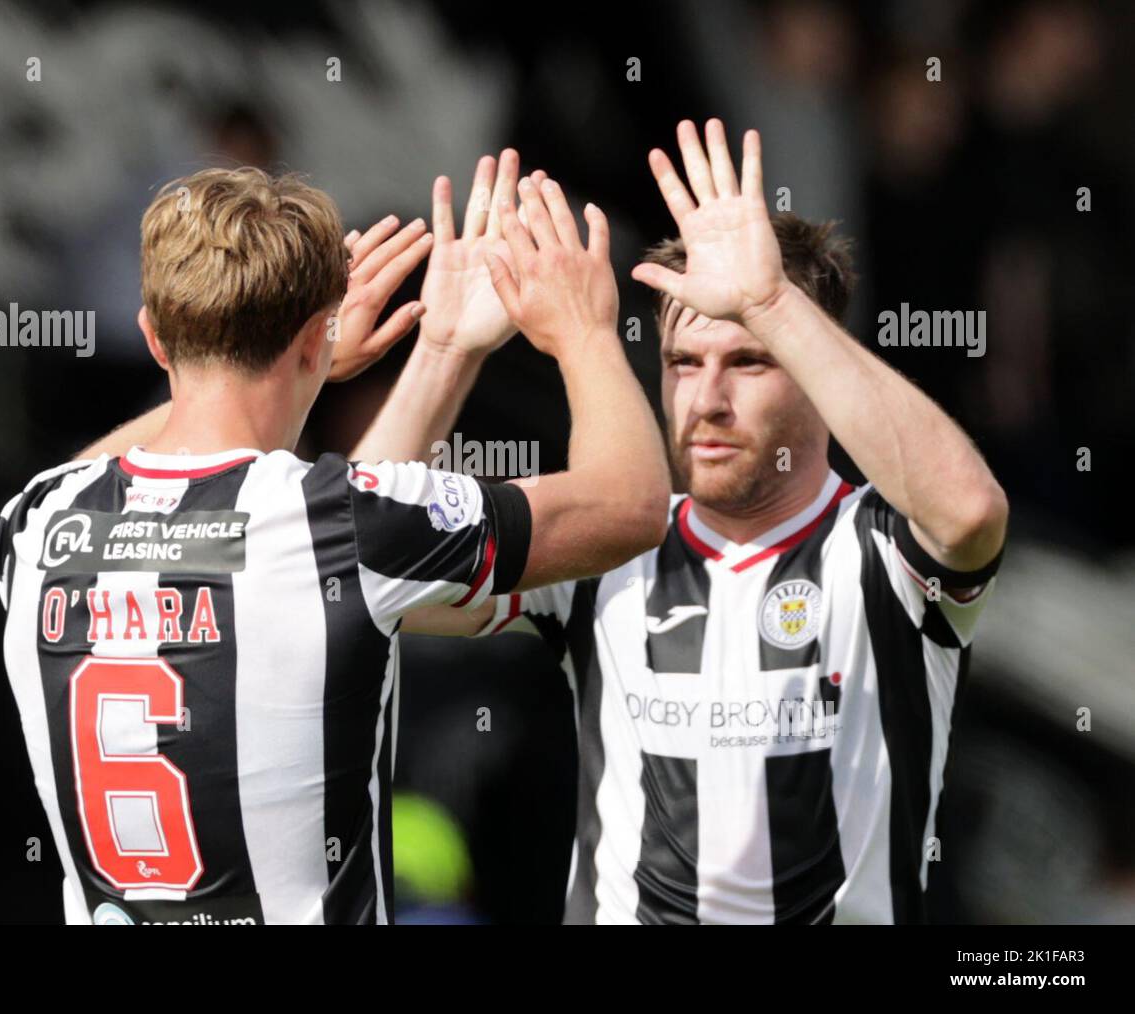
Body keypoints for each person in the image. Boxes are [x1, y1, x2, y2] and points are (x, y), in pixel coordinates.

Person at [0, 161, 669, 925]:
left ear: (153, 337)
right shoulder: (338, 521)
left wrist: (440, 350)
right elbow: (630, 506)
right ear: (320, 339)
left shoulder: (38, 521)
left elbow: (317, 561)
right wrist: (583, 331)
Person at [373, 120, 1009, 924]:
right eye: (682, 364)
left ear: (816, 369)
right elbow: (353, 576)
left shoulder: (880, 547)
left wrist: (774, 303)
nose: (706, 400)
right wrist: (443, 353)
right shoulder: (608, 542)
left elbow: (971, 510)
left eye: (749, 362)